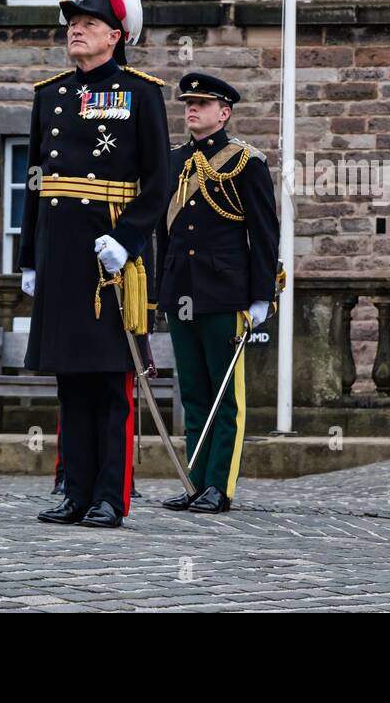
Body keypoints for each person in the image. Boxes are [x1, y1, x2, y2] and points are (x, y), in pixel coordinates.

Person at [21, 0, 170, 529]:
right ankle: (72, 489)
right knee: (70, 381)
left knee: (110, 381)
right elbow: (35, 182)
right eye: (72, 24)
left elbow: (158, 183)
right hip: (62, 255)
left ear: (116, 36)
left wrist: (129, 240)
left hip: (112, 259)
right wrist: (29, 256)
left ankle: (111, 494)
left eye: (88, 24)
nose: (75, 31)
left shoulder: (140, 92)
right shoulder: (50, 94)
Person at [157, 72, 280, 514]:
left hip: (225, 292)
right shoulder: (172, 162)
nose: (192, 109)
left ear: (224, 112)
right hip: (181, 290)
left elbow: (264, 235)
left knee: (226, 394)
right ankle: (195, 481)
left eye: (203, 104)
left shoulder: (247, 162)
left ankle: (219, 486)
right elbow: (163, 235)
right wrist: (158, 293)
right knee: (193, 392)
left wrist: (261, 297)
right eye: (189, 103)